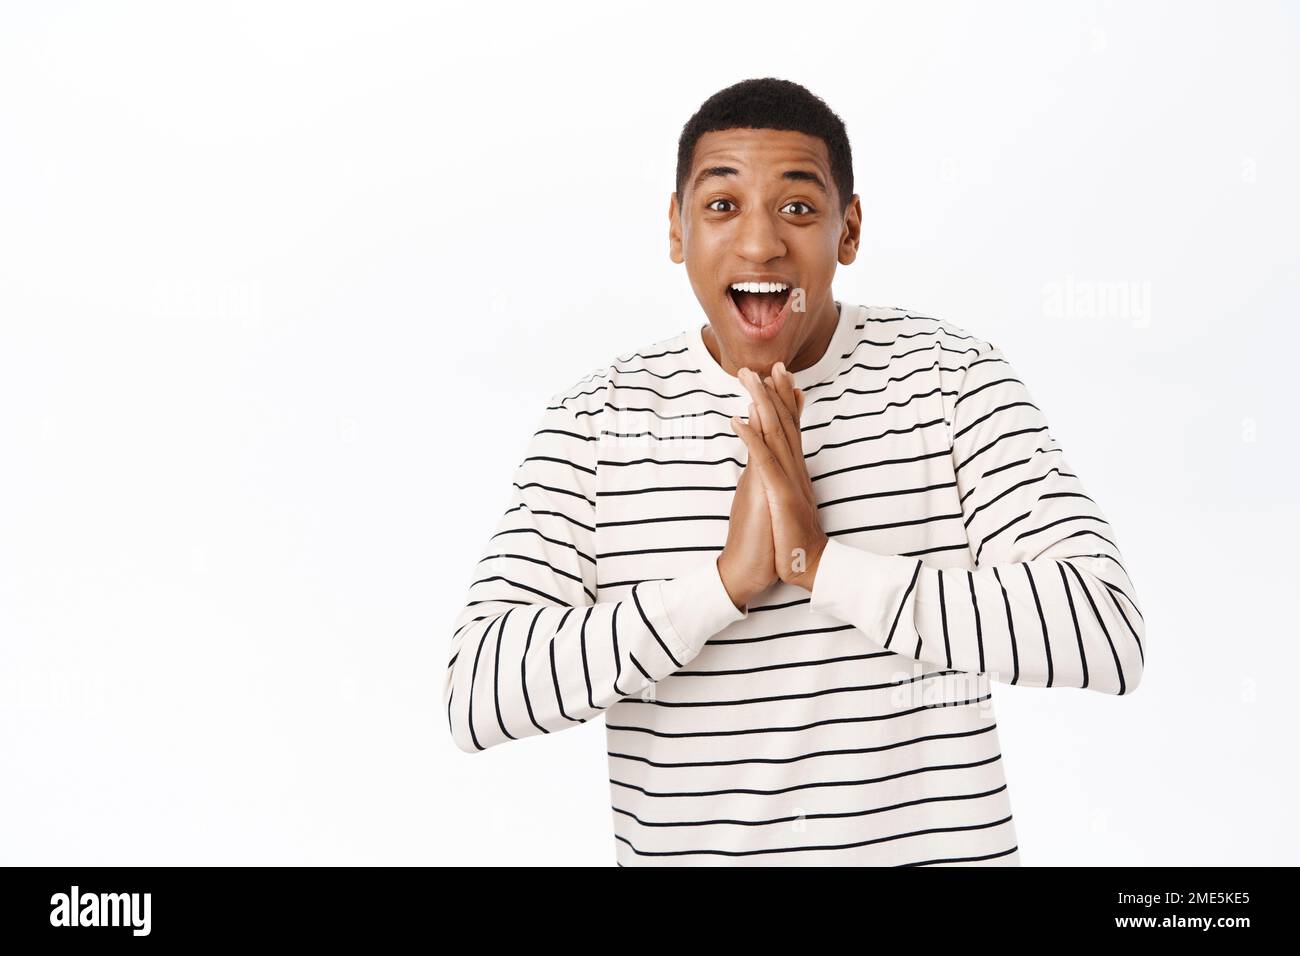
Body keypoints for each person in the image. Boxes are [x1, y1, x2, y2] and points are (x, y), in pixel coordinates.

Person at [443, 77, 1145, 866]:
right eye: (720, 207)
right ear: (675, 230)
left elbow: (1106, 633)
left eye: (799, 209)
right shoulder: (596, 423)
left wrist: (825, 566)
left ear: (849, 230)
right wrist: (723, 586)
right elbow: (479, 694)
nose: (760, 244)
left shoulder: (951, 381)